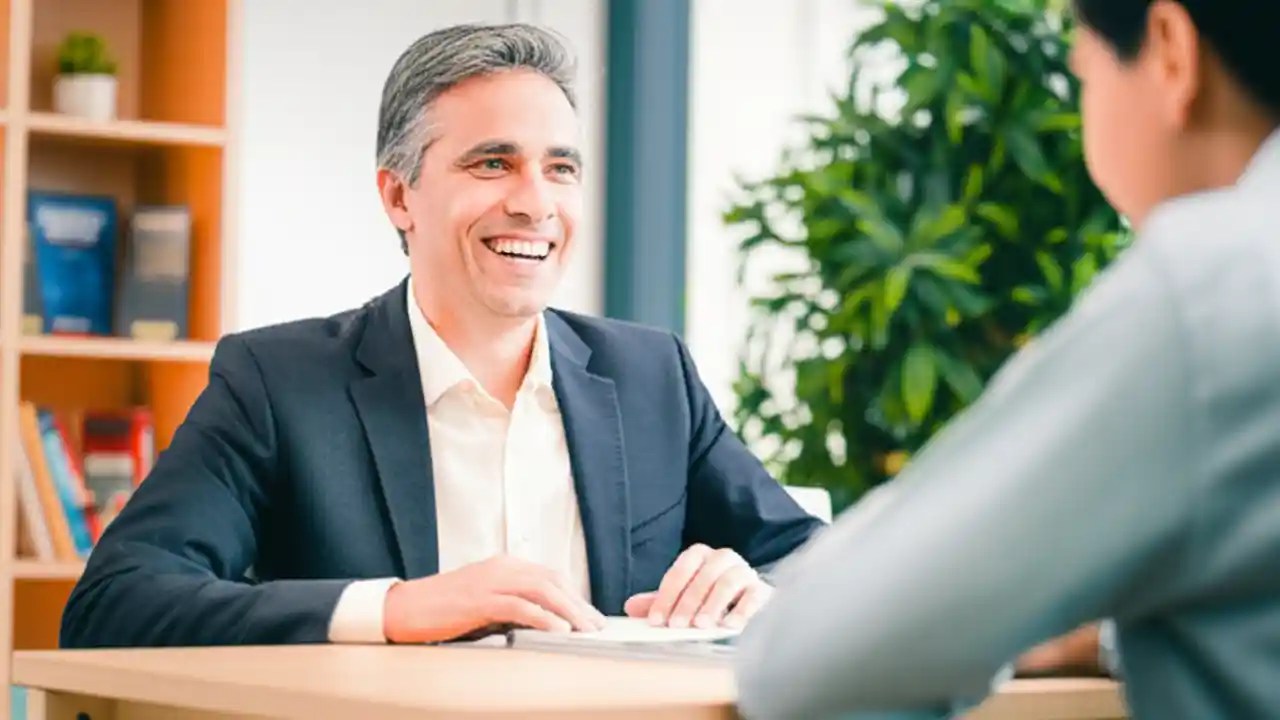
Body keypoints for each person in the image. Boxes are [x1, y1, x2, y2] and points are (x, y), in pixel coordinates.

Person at [59, 23, 824, 648]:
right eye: (493, 163)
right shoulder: (277, 382)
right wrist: (396, 610)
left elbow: (813, 562)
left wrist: (754, 588)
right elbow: (115, 604)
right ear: (399, 195)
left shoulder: (652, 375)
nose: (535, 203)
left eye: (561, 168)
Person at [734, 0, 1280, 718]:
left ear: (1171, 53)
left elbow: (804, 657)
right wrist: (1117, 632)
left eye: (1083, 71)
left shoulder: (1211, 287)